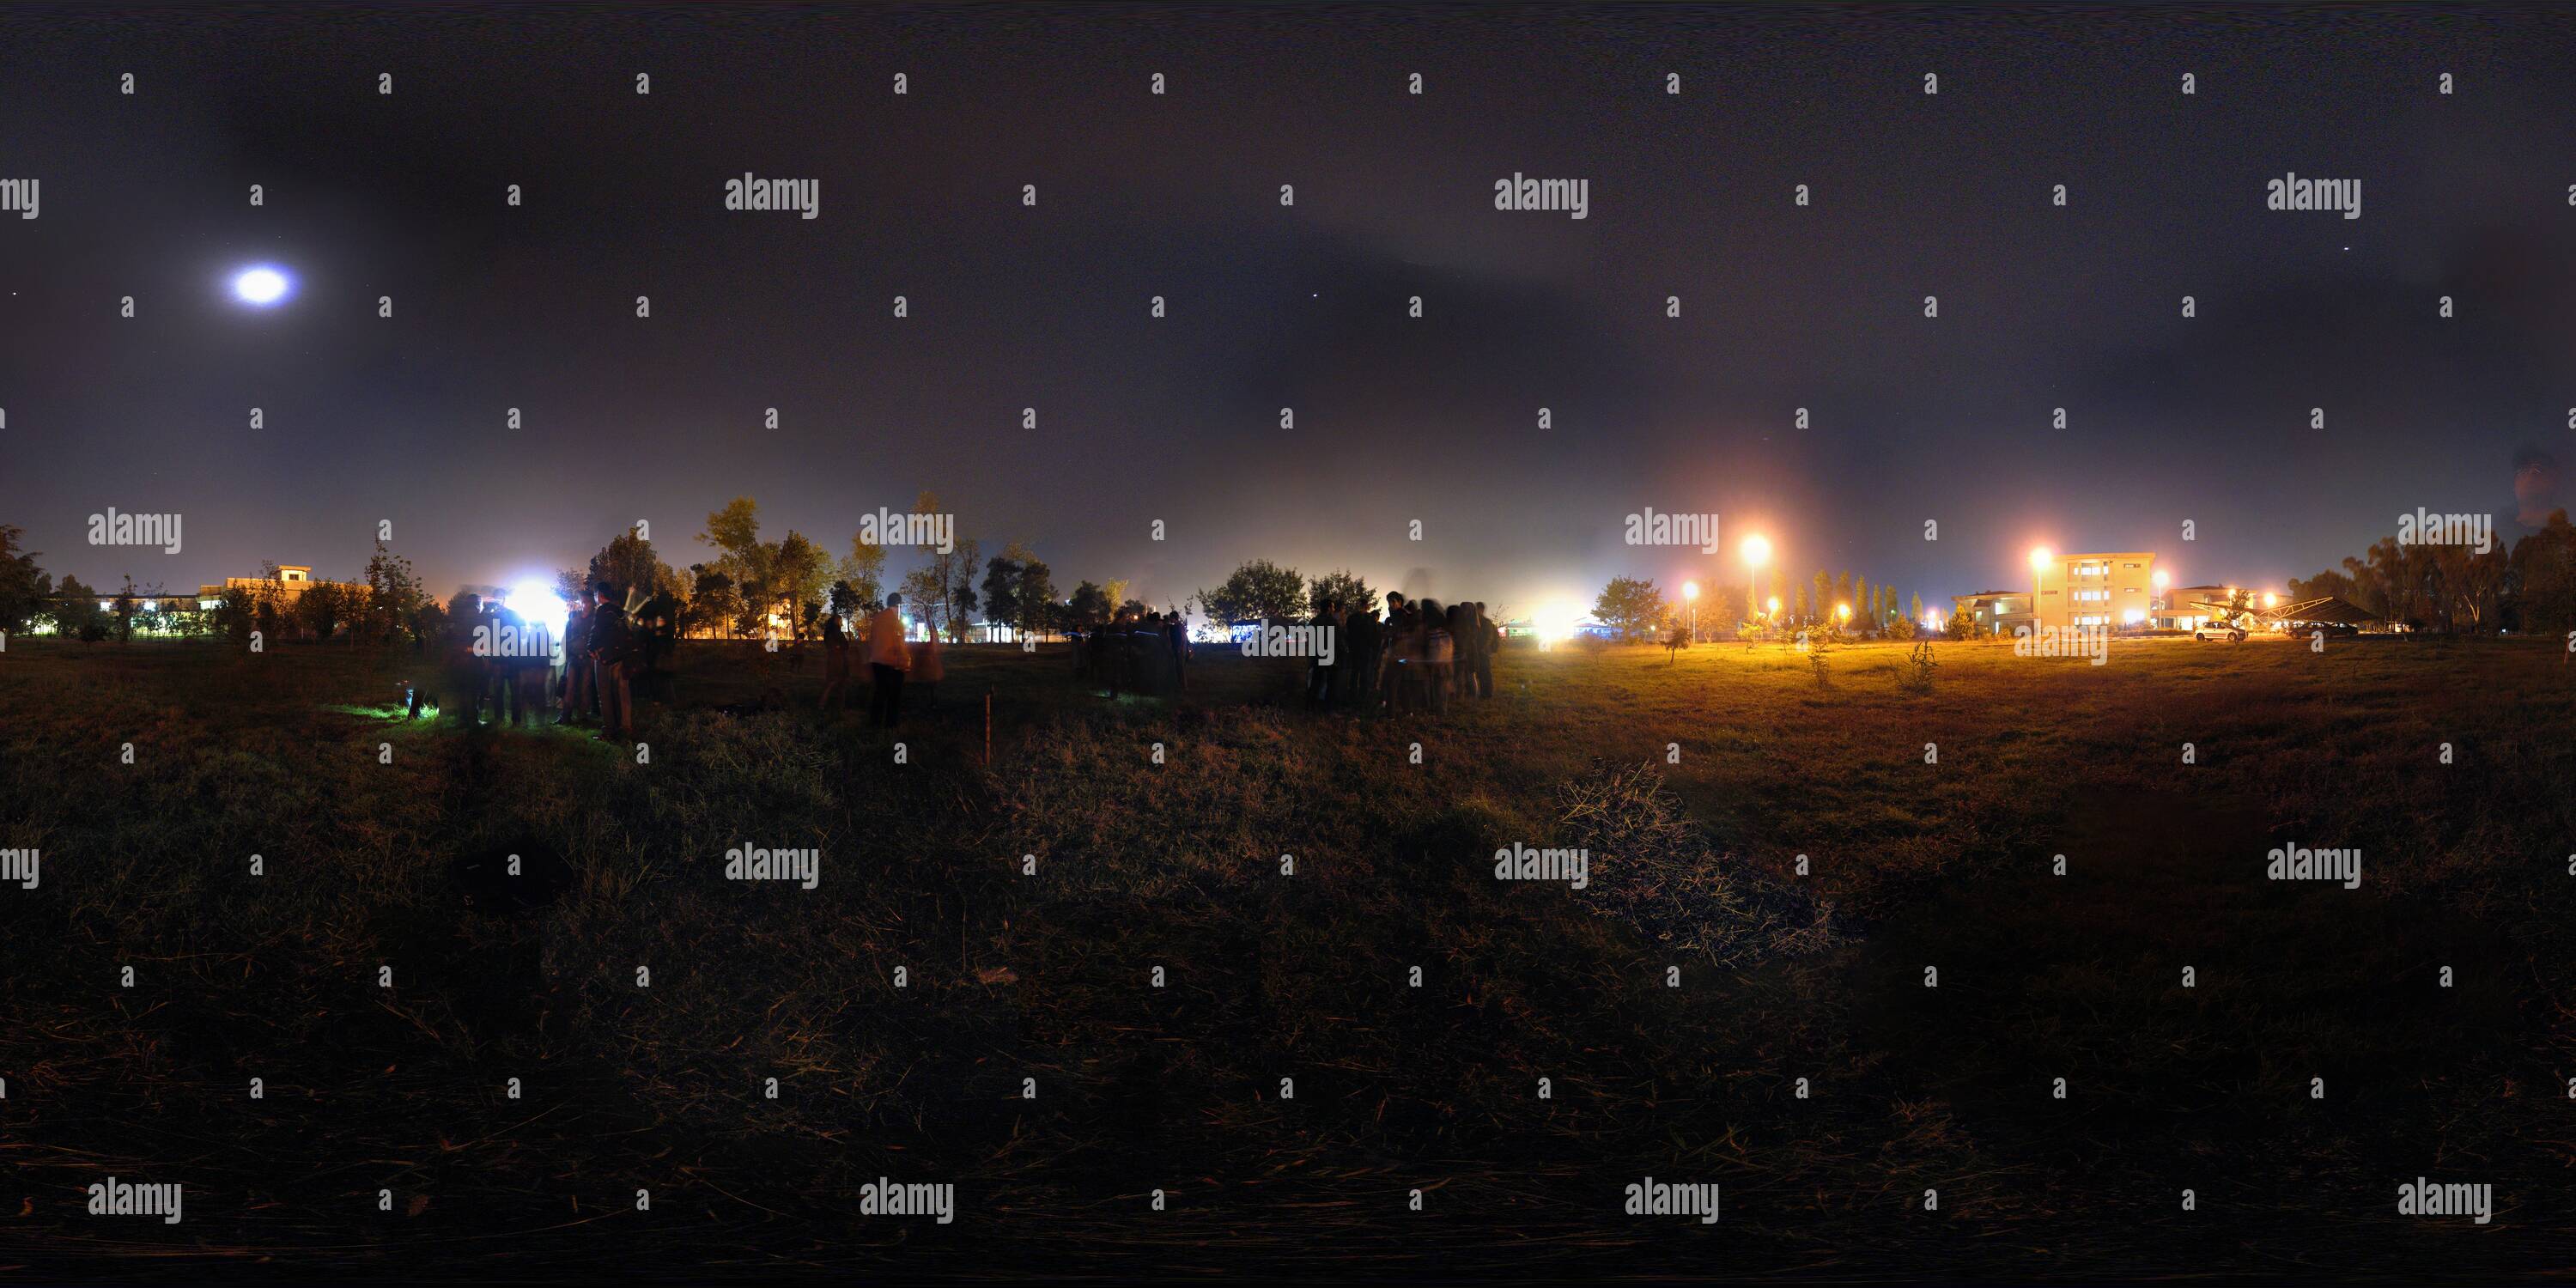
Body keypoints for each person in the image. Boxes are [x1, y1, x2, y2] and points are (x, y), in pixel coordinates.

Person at [588, 580, 635, 742]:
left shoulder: (602, 611)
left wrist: (591, 648)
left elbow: (596, 632)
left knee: (605, 694)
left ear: (599, 595)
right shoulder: (621, 611)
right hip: (621, 657)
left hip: (604, 658)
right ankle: (626, 728)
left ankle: (609, 730)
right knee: (623, 694)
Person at [866, 592, 910, 729]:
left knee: (880, 692)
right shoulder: (897, 621)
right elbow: (899, 642)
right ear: (899, 605)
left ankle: (874, 723)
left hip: (876, 660)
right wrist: (904, 660)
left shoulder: (877, 618)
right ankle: (891, 725)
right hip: (891, 661)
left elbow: (872, 639)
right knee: (894, 695)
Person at [559, 595, 593, 725]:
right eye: (583, 602)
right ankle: (565, 716)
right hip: (573, 658)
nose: (585, 605)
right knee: (569, 687)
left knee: (585, 688)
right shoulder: (573, 617)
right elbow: (566, 637)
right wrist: (567, 655)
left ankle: (582, 717)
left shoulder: (594, 619)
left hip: (587, 658)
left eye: (587, 602)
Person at [817, 613, 851, 714]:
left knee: (833, 683)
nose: (841, 623)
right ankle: (838, 707)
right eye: (840, 621)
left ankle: (824, 705)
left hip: (833, 658)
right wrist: (841, 646)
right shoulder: (836, 631)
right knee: (838, 682)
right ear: (836, 621)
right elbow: (844, 645)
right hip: (838, 659)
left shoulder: (828, 631)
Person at [908, 627, 945, 710]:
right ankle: (933, 702)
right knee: (932, 686)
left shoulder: (932, 649)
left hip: (932, 672)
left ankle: (933, 702)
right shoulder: (933, 648)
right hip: (932, 672)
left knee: (932, 686)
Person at [1164, 610, 1188, 693]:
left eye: (1171, 618)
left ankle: (1184, 686)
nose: (1170, 619)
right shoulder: (1176, 626)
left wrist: (1180, 649)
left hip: (1180, 651)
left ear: (1173, 618)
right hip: (1179, 650)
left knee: (1181, 668)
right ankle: (1180, 686)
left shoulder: (1179, 627)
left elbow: (1182, 638)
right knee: (1178, 668)